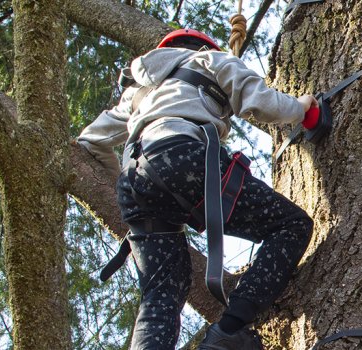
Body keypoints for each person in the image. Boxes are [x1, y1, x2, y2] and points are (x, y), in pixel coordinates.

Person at [77, 29, 317, 350]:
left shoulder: (139, 93)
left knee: (161, 293)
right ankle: (229, 331)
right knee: (291, 225)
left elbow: (90, 141)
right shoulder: (209, 59)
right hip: (183, 157)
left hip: (135, 184)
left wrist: (133, 180)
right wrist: (302, 109)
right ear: (203, 46)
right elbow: (259, 101)